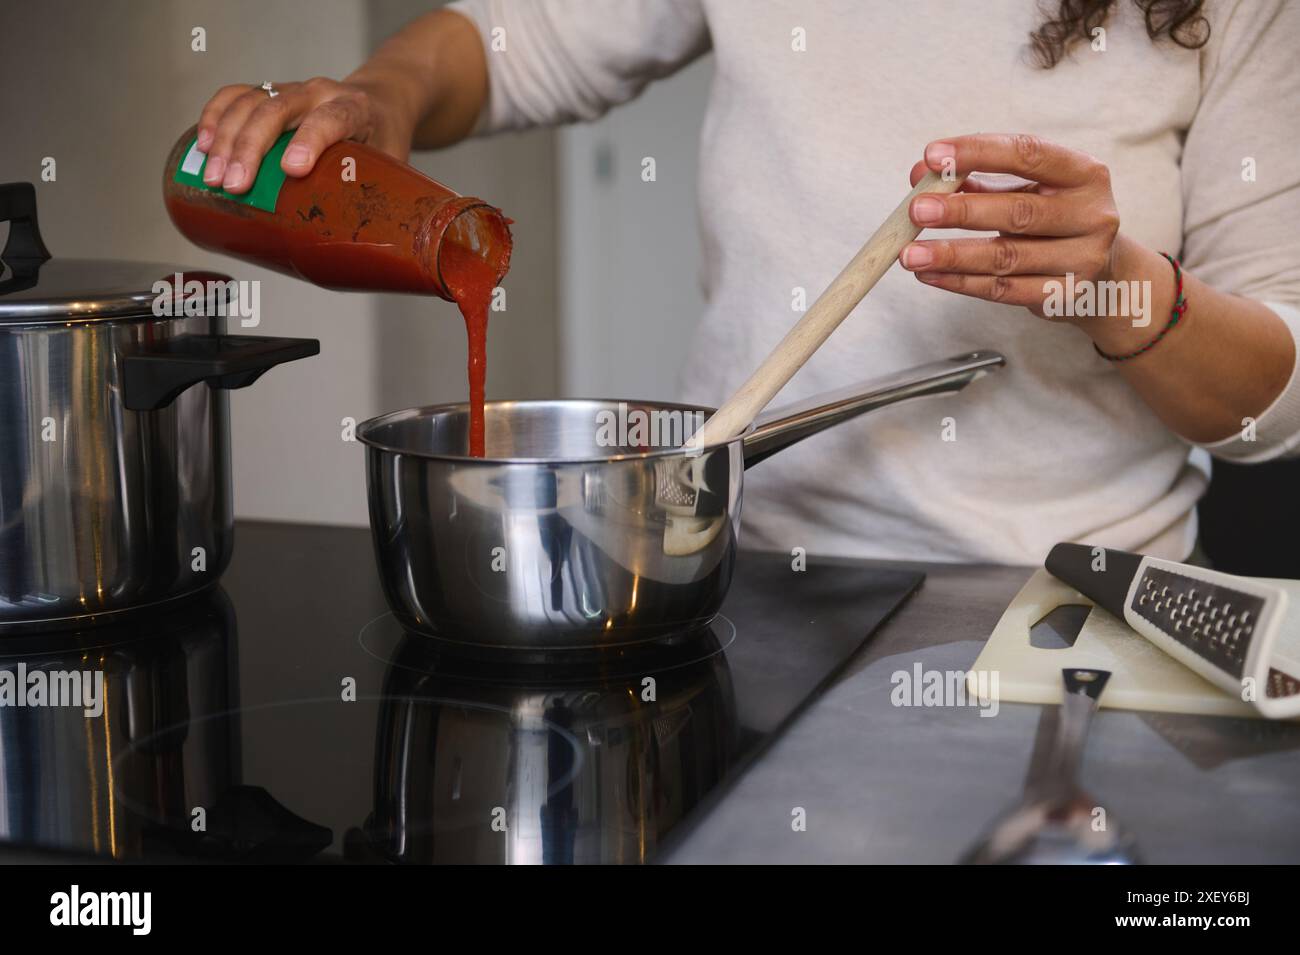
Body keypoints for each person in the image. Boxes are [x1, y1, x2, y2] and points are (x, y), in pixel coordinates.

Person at [193, 0, 1300, 564]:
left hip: (1066, 621)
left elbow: (1267, 408)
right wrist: (383, 95)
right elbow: (516, 38)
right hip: (737, 574)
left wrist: (1124, 291)